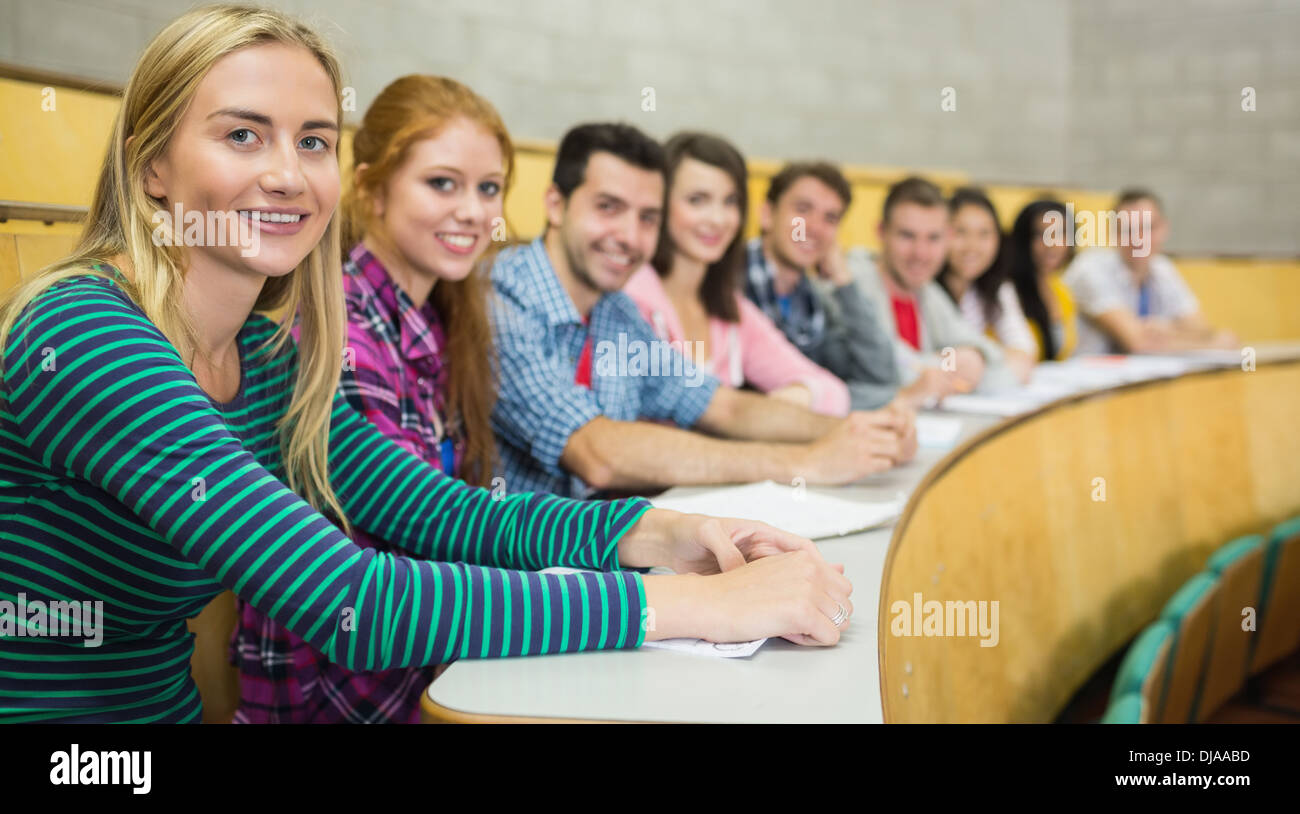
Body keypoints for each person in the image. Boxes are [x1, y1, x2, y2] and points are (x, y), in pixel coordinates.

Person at [0, 4, 855, 724]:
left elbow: (448, 515)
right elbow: (352, 600)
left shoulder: (264, 352)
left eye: (312, 141)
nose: (286, 175)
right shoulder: (82, 329)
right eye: (243, 136)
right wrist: (693, 610)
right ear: (153, 166)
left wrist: (652, 534)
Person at [232, 75, 510, 723]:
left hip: (420, 661)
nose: (472, 210)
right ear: (371, 188)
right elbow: (405, 554)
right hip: (343, 688)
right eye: (442, 183)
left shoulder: (435, 317)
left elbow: (453, 520)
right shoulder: (346, 330)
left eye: (488, 188)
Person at [489, 123, 917, 499]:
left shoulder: (613, 312)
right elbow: (597, 452)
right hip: (504, 573)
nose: (629, 236)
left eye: (647, 218)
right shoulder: (503, 299)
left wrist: (857, 434)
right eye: (608, 208)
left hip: (588, 550)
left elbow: (723, 406)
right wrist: (804, 462)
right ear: (555, 205)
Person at [623, 132, 850, 417]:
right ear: (661, 204)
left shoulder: (730, 309)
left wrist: (793, 398)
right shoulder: (630, 298)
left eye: (730, 202)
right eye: (697, 200)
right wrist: (748, 416)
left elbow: (834, 393)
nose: (718, 219)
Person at [743, 162, 937, 409]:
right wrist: (895, 400)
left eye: (830, 218)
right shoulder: (728, 284)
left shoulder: (814, 300)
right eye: (803, 210)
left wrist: (844, 282)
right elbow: (765, 397)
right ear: (767, 214)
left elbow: (881, 376)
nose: (813, 229)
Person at [850, 176, 1019, 399]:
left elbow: (998, 366)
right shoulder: (852, 283)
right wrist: (951, 364)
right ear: (881, 232)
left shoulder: (927, 292)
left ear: (947, 238)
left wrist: (970, 359)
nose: (920, 253)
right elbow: (888, 369)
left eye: (933, 238)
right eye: (907, 236)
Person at [1063, 189, 1237, 354]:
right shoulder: (1090, 268)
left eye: (1147, 228)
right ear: (1113, 231)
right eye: (1128, 230)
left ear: (1164, 229)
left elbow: (1202, 328)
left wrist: (1168, 329)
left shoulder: (1162, 268)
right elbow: (1140, 344)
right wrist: (1208, 342)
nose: (1139, 239)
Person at [936, 187, 1035, 384]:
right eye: (960, 232)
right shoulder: (926, 290)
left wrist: (978, 361)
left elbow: (1025, 351)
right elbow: (934, 363)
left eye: (984, 234)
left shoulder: (997, 288)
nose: (972, 246)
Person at [1005, 199, 1078, 361]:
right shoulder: (1006, 291)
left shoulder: (1061, 290)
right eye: (1040, 234)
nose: (1051, 244)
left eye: (1059, 234)